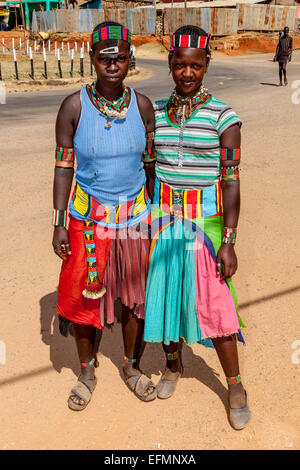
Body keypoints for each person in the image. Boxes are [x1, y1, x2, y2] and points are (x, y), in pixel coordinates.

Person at [144, 25, 250, 430]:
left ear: (207, 65)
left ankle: (235, 385)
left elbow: (231, 181)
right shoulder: (153, 112)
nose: (187, 73)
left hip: (205, 225)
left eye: (196, 66)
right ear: (170, 63)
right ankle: (173, 366)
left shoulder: (225, 118)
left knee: (216, 306)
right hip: (164, 222)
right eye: (180, 65)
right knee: (168, 296)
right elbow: (147, 168)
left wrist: (229, 241)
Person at [52, 21, 157, 411]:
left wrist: (160, 217)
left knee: (134, 298)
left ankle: (131, 366)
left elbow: (150, 168)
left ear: (130, 60)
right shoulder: (74, 106)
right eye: (104, 58)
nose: (112, 65)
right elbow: (64, 168)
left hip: (134, 218)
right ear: (93, 60)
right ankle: (87, 370)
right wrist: (59, 222)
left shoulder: (143, 106)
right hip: (88, 220)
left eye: (120, 58)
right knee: (83, 296)